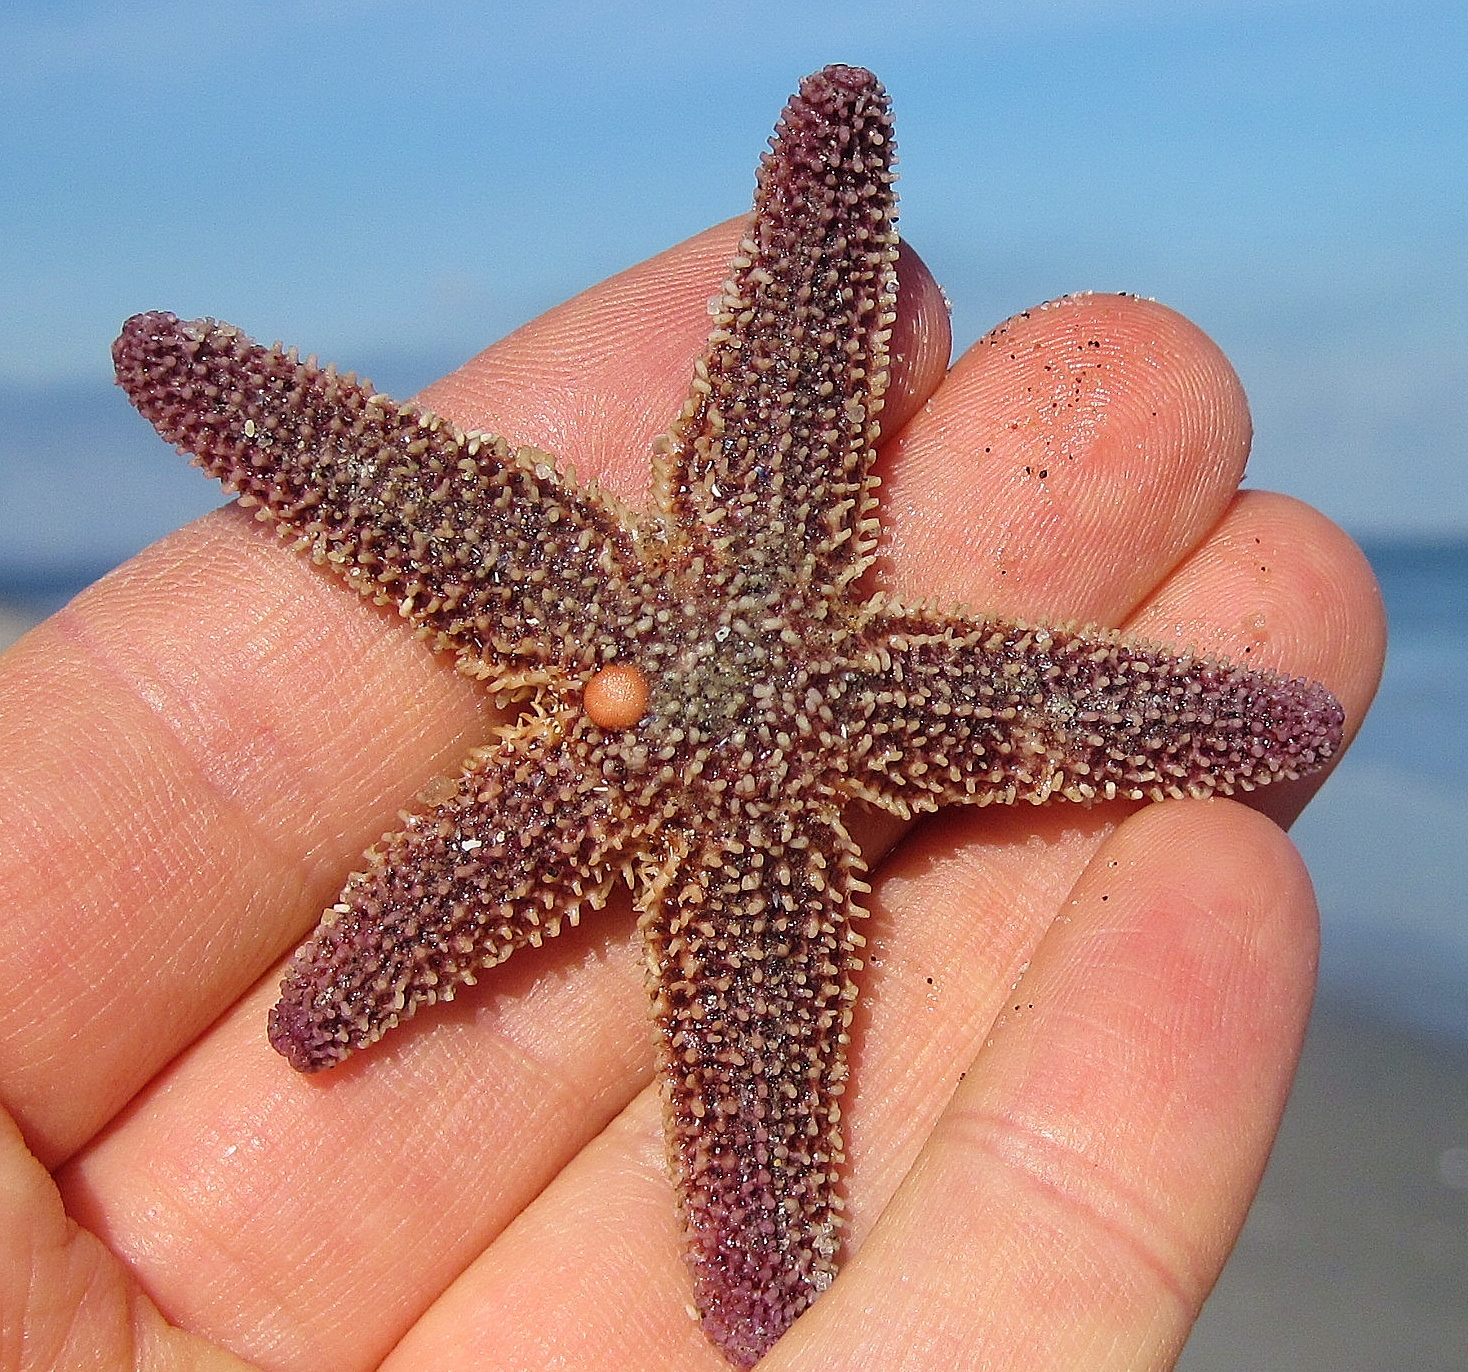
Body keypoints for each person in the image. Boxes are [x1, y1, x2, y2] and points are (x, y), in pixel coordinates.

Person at [0, 224, 1384, 1370]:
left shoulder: (608, 602)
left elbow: (1023, 683)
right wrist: (344, 978)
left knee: (736, 1086)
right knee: (709, 1090)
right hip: (751, 770)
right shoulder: (705, 622)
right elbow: (399, 489)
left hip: (731, 767)